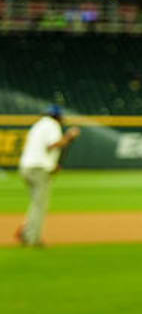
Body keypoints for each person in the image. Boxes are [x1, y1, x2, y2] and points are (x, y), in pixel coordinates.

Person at [15, 105, 80, 248]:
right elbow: (52, 145)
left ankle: (26, 231)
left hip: (27, 167)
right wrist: (69, 136)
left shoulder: (39, 125)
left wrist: (52, 164)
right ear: (57, 117)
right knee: (40, 205)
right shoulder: (52, 125)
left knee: (37, 203)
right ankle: (33, 239)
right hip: (38, 169)